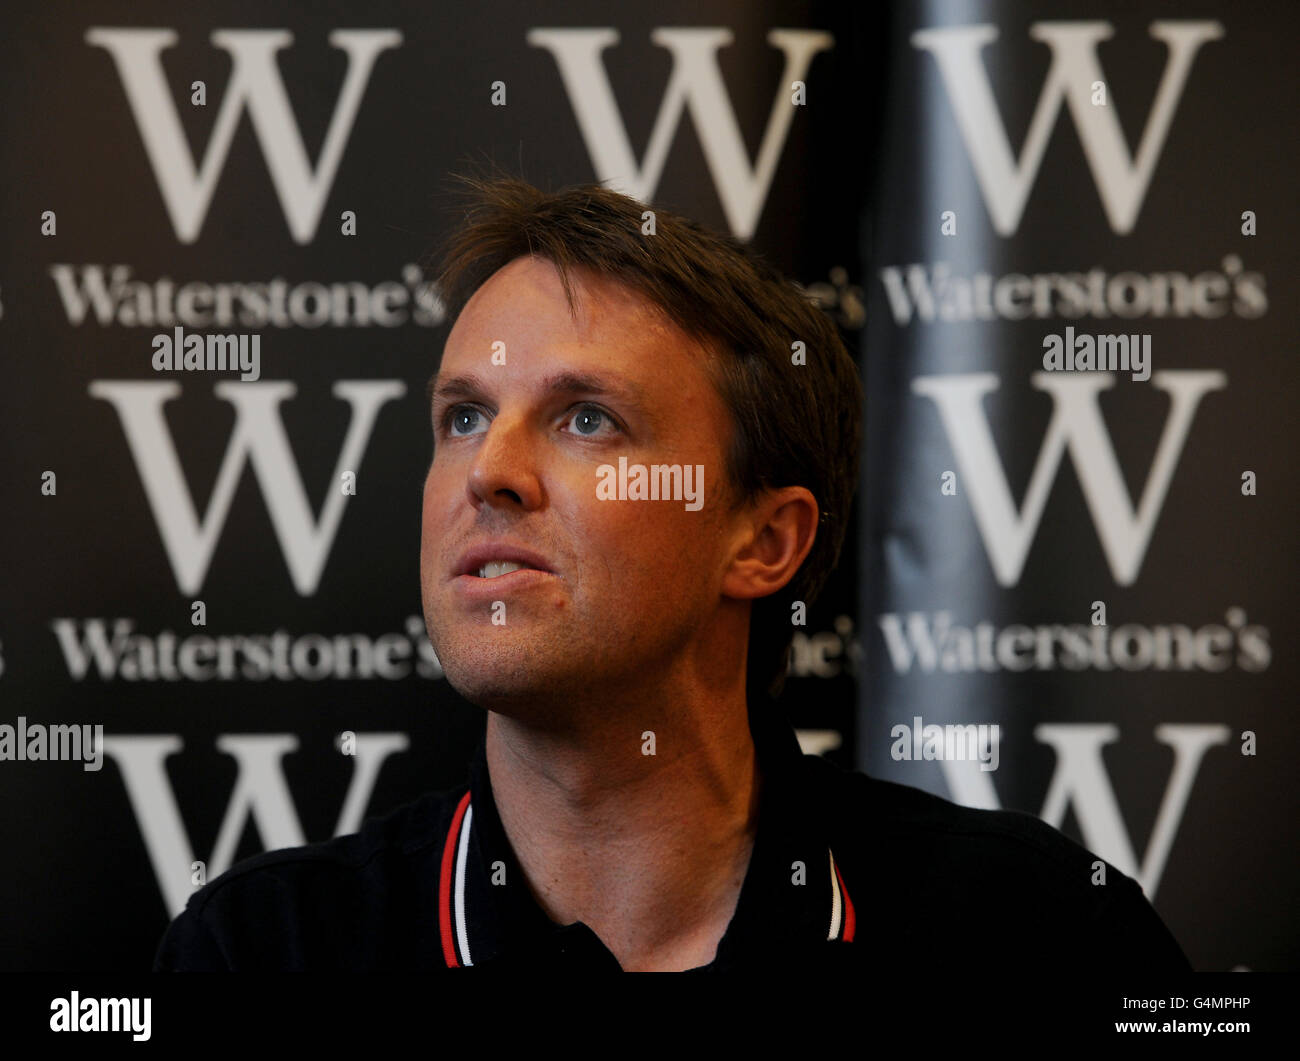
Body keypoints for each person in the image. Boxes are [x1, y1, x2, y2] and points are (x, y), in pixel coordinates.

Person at [153, 177, 1191, 972]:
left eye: (586, 418)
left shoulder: (1045, 934)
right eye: (463, 415)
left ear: (763, 542)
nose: (490, 472)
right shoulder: (261, 953)